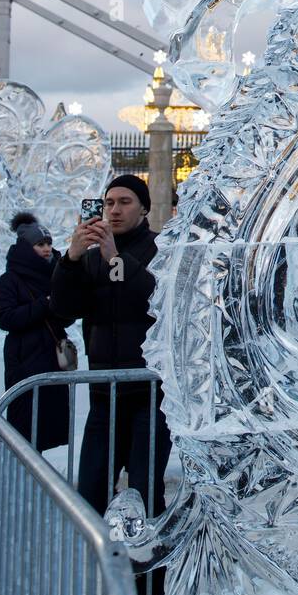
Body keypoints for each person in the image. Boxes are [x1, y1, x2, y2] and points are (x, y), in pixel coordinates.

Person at [49, 175, 172, 526]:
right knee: (90, 492)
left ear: (145, 208)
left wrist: (115, 259)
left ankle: (148, 578)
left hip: (149, 395)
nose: (114, 210)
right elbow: (63, 308)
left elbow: (153, 299)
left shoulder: (160, 248)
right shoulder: (87, 258)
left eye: (125, 202)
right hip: (105, 395)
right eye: (108, 203)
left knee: (145, 494)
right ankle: (99, 574)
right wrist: (71, 259)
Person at [0, 212, 70, 451]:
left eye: (48, 243)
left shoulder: (56, 274)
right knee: (25, 430)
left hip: (51, 359)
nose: (47, 249)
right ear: (27, 248)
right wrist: (44, 304)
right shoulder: (10, 279)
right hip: (24, 362)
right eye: (40, 244)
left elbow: (66, 318)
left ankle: (41, 481)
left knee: (47, 426)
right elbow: (5, 318)